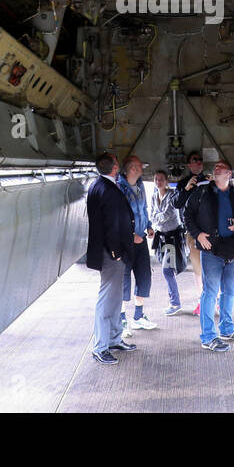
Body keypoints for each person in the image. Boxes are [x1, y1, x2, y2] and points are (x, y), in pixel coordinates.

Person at [184, 160, 234, 352]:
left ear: (229, 173)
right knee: (210, 292)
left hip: (232, 252)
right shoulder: (201, 193)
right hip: (211, 251)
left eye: (221, 168)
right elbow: (188, 215)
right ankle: (208, 336)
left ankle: (226, 329)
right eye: (215, 168)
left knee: (229, 291)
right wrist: (198, 235)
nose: (216, 170)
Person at [86, 152, 137, 364]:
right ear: (114, 168)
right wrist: (116, 252)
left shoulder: (101, 185)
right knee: (107, 299)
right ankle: (100, 346)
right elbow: (109, 225)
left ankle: (114, 339)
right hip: (111, 253)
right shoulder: (105, 189)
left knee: (115, 298)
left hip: (111, 251)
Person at [117, 154, 157, 335]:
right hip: (126, 243)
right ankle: (122, 321)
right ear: (131, 168)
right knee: (124, 280)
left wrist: (148, 227)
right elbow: (117, 217)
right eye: (139, 167)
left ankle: (138, 317)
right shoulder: (119, 188)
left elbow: (144, 209)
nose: (142, 169)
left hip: (141, 240)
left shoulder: (140, 185)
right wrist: (130, 235)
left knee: (144, 276)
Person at [149, 169, 187, 315]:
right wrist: (157, 218)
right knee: (166, 267)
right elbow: (152, 215)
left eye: (161, 179)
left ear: (166, 181)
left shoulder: (172, 195)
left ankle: (175, 303)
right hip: (161, 237)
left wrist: (156, 218)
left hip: (172, 237)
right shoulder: (153, 196)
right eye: (156, 179)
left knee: (167, 270)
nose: (158, 182)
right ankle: (174, 301)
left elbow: (168, 214)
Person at [175, 150, 207, 313]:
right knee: (198, 267)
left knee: (213, 266)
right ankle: (202, 300)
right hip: (193, 231)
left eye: (200, 160)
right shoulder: (183, 183)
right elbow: (176, 204)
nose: (199, 162)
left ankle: (213, 300)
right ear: (189, 165)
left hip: (210, 230)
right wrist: (187, 189)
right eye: (195, 160)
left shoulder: (209, 181)